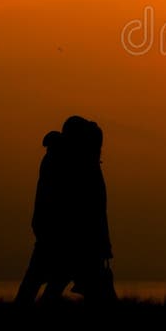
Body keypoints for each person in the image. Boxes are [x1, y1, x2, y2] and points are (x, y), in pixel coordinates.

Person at [15, 116, 116, 303]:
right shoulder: (78, 165)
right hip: (71, 240)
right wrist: (102, 243)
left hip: (58, 237)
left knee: (39, 283)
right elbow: (94, 210)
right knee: (43, 282)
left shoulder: (59, 159)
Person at [15, 130, 70, 303]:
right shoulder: (54, 164)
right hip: (50, 229)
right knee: (42, 274)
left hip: (46, 227)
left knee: (44, 274)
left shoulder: (51, 163)